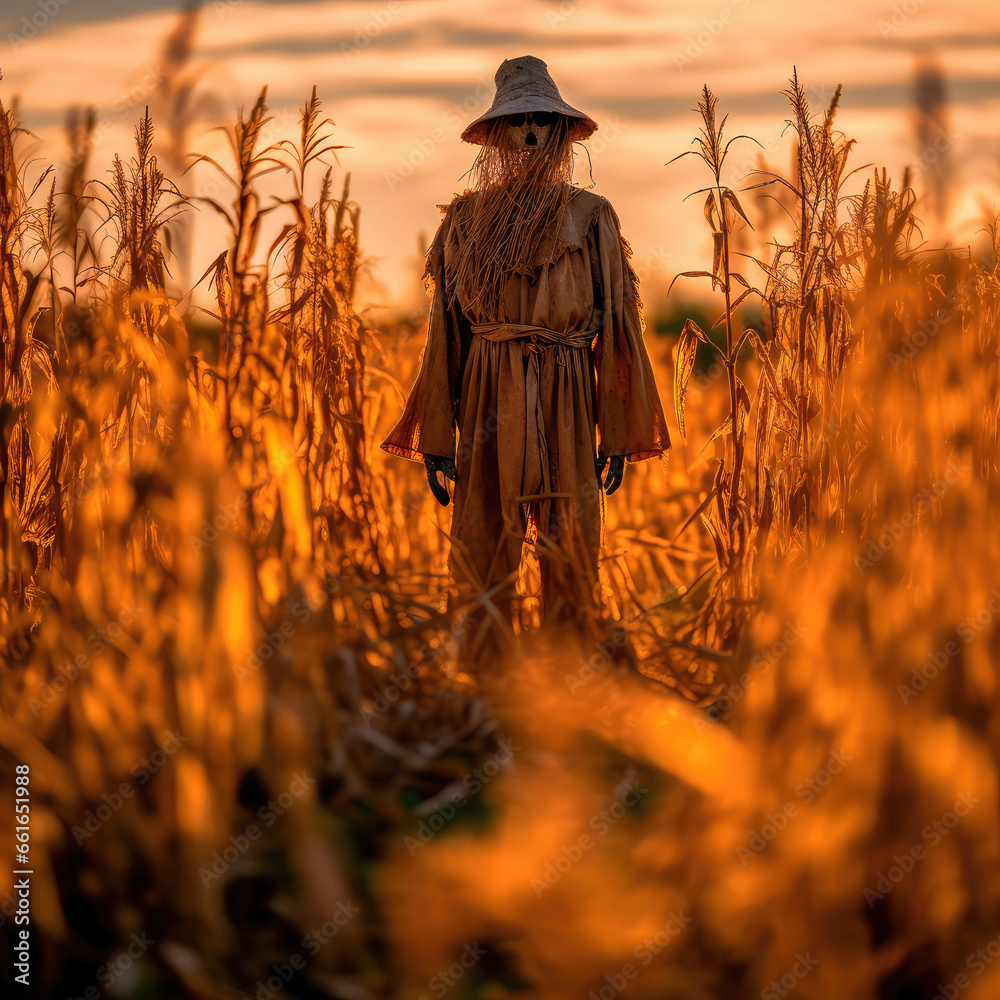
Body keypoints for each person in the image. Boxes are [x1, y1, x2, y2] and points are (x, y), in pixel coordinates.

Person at [382, 55, 670, 647]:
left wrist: (617, 433)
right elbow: (446, 336)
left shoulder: (592, 218)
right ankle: (486, 684)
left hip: (566, 395)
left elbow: (618, 328)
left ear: (561, 130)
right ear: (495, 135)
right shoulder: (464, 221)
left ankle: (572, 678)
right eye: (518, 121)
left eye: (542, 118)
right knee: (483, 541)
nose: (532, 131)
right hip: (487, 399)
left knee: (571, 539)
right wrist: (438, 438)